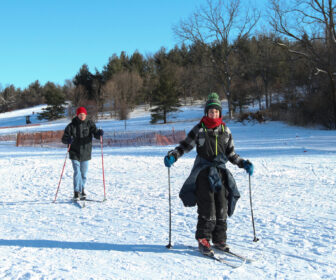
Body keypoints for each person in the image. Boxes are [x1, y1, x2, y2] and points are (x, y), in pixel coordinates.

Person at [164, 93, 253, 256]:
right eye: (211, 111)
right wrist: (172, 155)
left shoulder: (225, 130)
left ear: (220, 113)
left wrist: (244, 163)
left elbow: (232, 154)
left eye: (216, 111)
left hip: (220, 173)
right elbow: (184, 146)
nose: (213, 114)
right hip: (203, 172)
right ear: (206, 113)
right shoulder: (199, 129)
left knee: (222, 205)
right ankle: (203, 239)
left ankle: (219, 239)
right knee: (208, 205)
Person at [62, 107, 104, 200]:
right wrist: (68, 140)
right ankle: (77, 192)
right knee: (77, 172)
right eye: (80, 114)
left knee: (84, 174)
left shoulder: (90, 124)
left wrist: (99, 134)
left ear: (86, 115)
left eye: (83, 114)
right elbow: (64, 139)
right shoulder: (71, 126)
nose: (82, 116)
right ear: (77, 115)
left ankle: (82, 189)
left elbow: (95, 133)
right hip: (74, 152)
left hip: (86, 152)